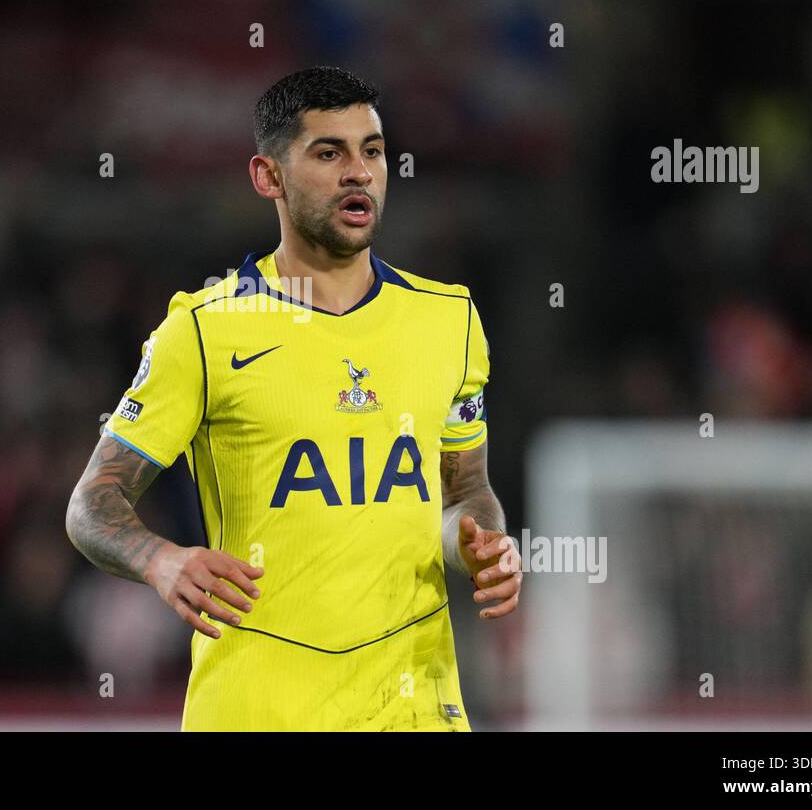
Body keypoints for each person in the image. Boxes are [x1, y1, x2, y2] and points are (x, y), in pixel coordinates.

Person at [66, 65, 522, 731]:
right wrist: (162, 561)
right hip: (259, 707)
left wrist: (481, 545)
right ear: (268, 177)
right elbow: (91, 506)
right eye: (328, 153)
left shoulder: (448, 321)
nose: (359, 172)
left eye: (372, 151)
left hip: (414, 703)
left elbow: (464, 495)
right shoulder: (202, 331)